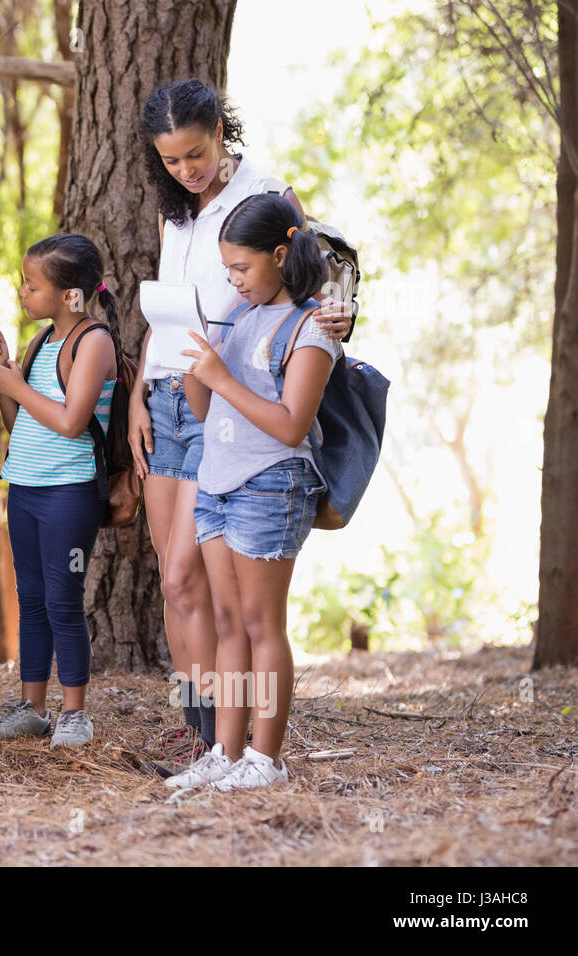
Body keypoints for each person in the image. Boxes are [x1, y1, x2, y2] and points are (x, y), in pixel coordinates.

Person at [131, 79, 352, 777]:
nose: (187, 171)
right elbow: (169, 307)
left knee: (217, 590)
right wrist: (139, 387)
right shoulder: (175, 214)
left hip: (231, 404)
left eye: (195, 154)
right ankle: (207, 739)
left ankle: (232, 745)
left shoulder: (266, 194)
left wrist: (335, 316)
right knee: (174, 584)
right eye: (171, 162)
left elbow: (316, 279)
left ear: (220, 132)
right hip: (172, 390)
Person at [166, 192, 341, 790]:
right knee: (227, 622)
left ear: (281, 253)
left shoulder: (312, 327)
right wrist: (196, 370)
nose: (234, 281)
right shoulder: (240, 318)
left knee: (263, 624)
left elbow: (292, 423)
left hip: (270, 486)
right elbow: (202, 406)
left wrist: (220, 376)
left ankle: (266, 759)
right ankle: (226, 750)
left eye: (242, 268)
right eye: (227, 270)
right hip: (215, 483)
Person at [0, 234, 119, 749]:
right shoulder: (41, 344)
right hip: (26, 486)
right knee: (32, 599)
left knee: (64, 600)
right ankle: (33, 708)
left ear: (71, 296)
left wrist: (16, 387)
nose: (22, 292)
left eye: (33, 285)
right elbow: (23, 425)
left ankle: (75, 713)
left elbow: (70, 420)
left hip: (70, 492)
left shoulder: (94, 341)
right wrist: (6, 379)